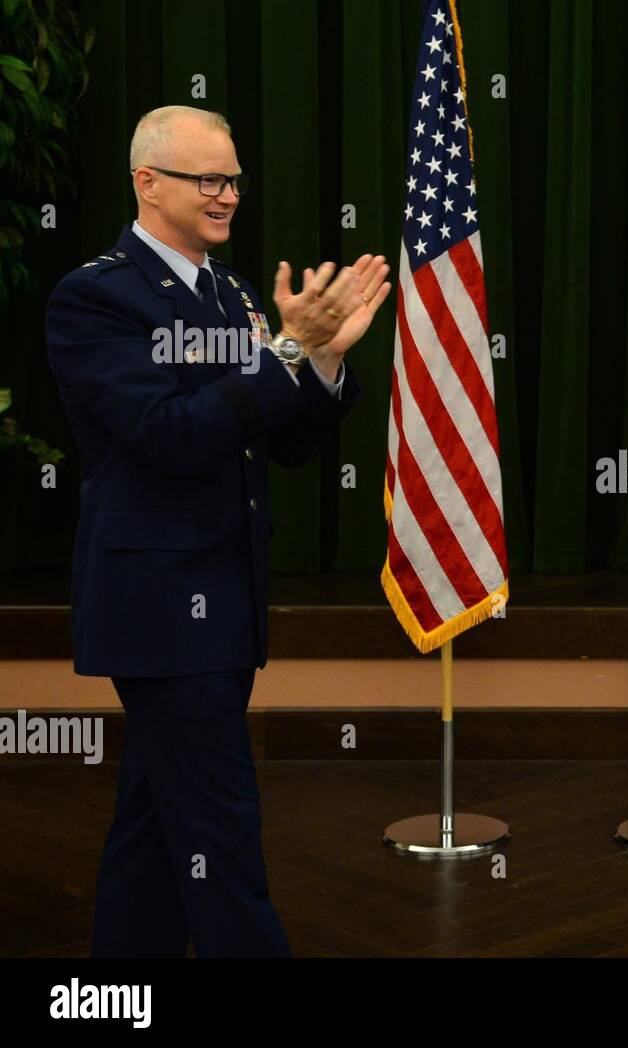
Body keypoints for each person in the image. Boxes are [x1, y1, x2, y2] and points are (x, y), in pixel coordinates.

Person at [45, 105, 392, 957]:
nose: (227, 194)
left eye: (232, 177)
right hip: (160, 608)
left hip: (228, 601)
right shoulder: (95, 296)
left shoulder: (232, 293)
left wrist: (320, 361)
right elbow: (170, 436)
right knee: (220, 828)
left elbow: (285, 446)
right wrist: (281, 356)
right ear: (147, 182)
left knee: (154, 829)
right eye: (208, 178)